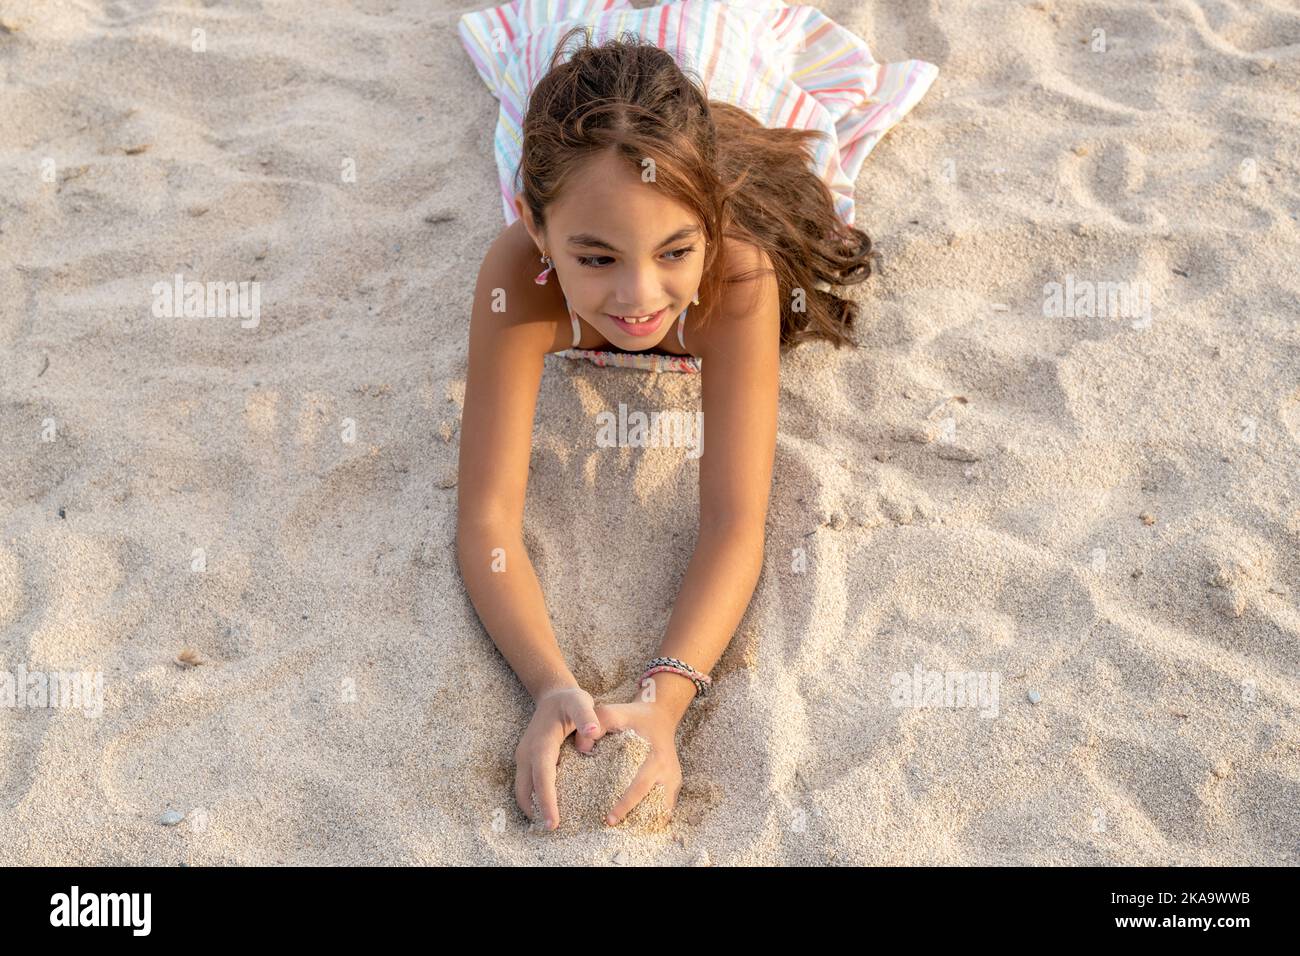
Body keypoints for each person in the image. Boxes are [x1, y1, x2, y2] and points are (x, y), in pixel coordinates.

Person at [455, 0, 937, 831]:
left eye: (675, 251)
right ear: (535, 227)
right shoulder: (517, 273)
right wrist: (549, 684)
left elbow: (732, 523)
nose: (638, 297)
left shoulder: (737, 282)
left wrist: (665, 700)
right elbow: (487, 520)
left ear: (712, 223)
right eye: (596, 258)